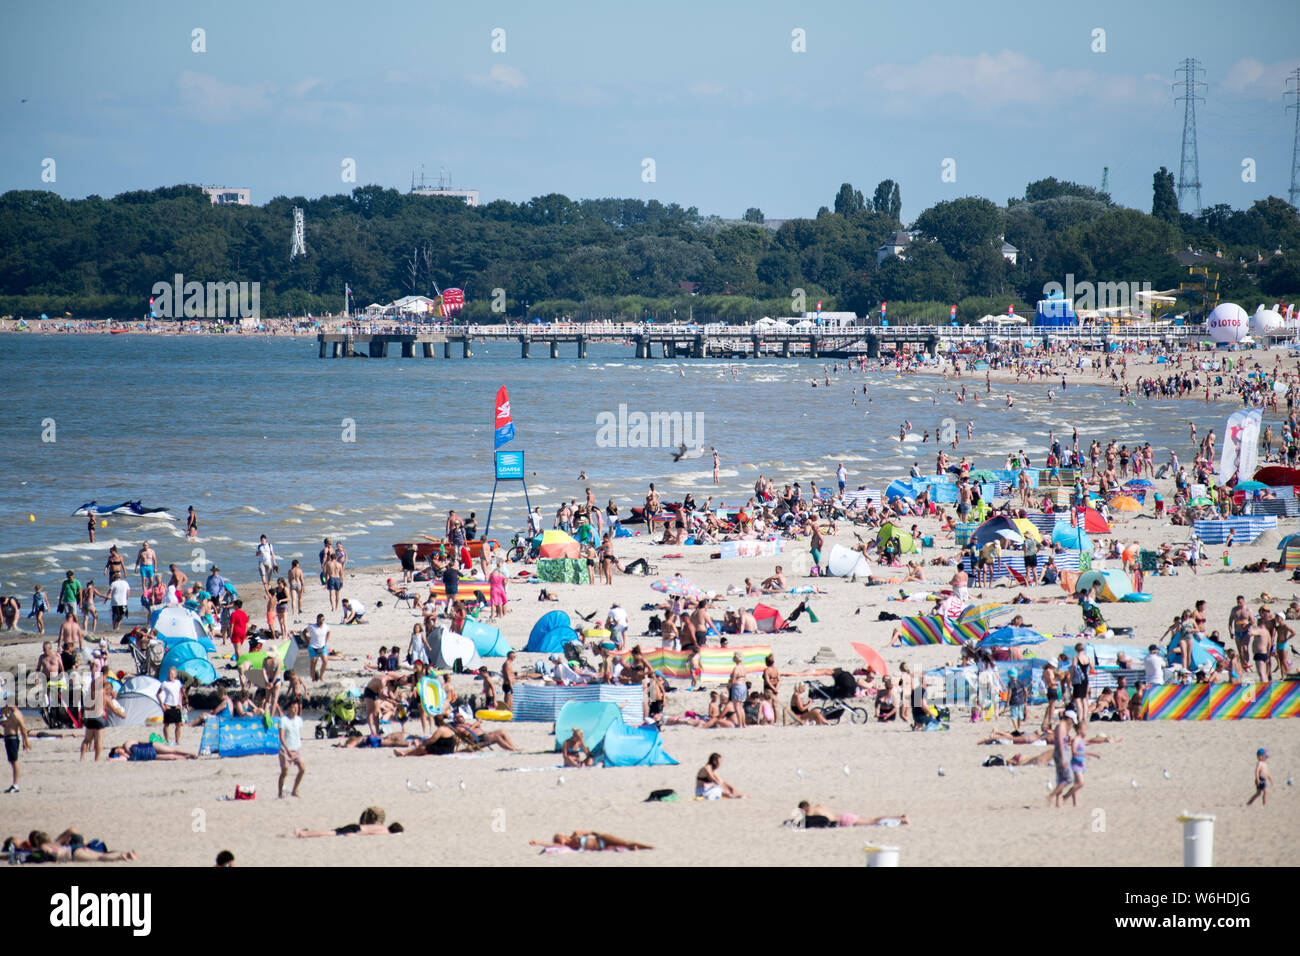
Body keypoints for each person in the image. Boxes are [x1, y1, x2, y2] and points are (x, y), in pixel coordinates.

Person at [296, 807, 405, 838]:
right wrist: (356, 834)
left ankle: (305, 832)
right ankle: (304, 834)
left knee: (331, 831)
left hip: (356, 826)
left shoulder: (382, 826)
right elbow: (370, 833)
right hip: (356, 830)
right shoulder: (385, 831)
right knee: (330, 833)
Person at [797, 802, 911, 829]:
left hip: (845, 820)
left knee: (874, 821)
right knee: (874, 819)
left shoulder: (812, 811)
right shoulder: (819, 806)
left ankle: (901, 819)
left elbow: (807, 819)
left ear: (804, 808)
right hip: (846, 815)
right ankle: (899, 817)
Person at [277, 698, 306, 798]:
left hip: (296, 749)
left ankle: (295, 790)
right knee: (284, 772)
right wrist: (287, 750)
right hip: (285, 750)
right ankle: (280, 793)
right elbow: (281, 737)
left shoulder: (299, 720)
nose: (295, 709)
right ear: (289, 709)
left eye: (296, 708)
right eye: (293, 708)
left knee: (302, 769)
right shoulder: (283, 720)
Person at [2, 703, 30, 793]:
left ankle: (15, 784)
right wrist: (4, 713)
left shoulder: (16, 714)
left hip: (13, 738)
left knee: (14, 761)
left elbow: (23, 728)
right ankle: (14, 784)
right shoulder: (12, 714)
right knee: (12, 761)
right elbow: (5, 724)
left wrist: (26, 741)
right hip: (9, 738)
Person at [529, 831, 653, 852]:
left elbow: (589, 833)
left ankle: (648, 847)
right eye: (559, 837)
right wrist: (539, 843)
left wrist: (581, 833)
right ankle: (644, 848)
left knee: (626, 843)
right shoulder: (568, 844)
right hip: (600, 846)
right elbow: (552, 845)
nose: (562, 837)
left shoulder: (574, 837)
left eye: (561, 836)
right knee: (625, 846)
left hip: (602, 838)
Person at [157, 666, 186, 745]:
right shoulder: (165, 683)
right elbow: (158, 694)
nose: (170, 675)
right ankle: (168, 740)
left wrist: (180, 703)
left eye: (172, 674)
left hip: (176, 705)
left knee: (179, 724)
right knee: (167, 724)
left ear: (175, 675)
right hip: (168, 705)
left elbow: (180, 693)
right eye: (169, 673)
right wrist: (162, 704)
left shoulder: (178, 683)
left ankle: (178, 741)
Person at [305, 613, 329, 681]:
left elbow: (329, 632)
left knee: (325, 661)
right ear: (317, 619)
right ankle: (313, 678)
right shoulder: (312, 627)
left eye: (323, 620)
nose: (321, 621)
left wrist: (326, 640)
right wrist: (307, 641)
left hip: (322, 646)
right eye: (320, 620)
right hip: (313, 646)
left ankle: (321, 676)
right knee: (313, 663)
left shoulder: (326, 626)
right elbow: (304, 632)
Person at [727, 652, 748, 727]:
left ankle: (740, 724)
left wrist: (729, 686)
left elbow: (733, 680)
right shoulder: (743, 667)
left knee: (737, 706)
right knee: (741, 706)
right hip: (743, 686)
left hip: (737, 686)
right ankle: (744, 723)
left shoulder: (736, 668)